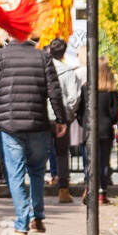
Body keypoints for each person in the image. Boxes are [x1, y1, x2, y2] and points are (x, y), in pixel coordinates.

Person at [0, 24, 68, 235]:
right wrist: (60, 119)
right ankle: (38, 217)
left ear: (9, 34)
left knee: (15, 173)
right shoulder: (43, 58)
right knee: (37, 171)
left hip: (10, 126)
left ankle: (22, 222)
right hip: (38, 124)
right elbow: (54, 91)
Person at [45, 37, 82, 203]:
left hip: (43, 117)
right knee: (62, 154)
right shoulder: (68, 72)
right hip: (63, 117)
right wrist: (69, 112)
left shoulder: (43, 69)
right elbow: (74, 98)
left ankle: (37, 187)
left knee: (40, 153)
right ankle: (63, 190)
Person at [80, 58, 118, 203]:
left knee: (91, 161)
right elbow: (115, 112)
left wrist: (83, 122)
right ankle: (102, 192)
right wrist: (111, 121)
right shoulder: (111, 90)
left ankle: (90, 187)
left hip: (90, 129)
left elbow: (80, 110)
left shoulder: (86, 88)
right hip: (105, 129)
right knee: (104, 162)